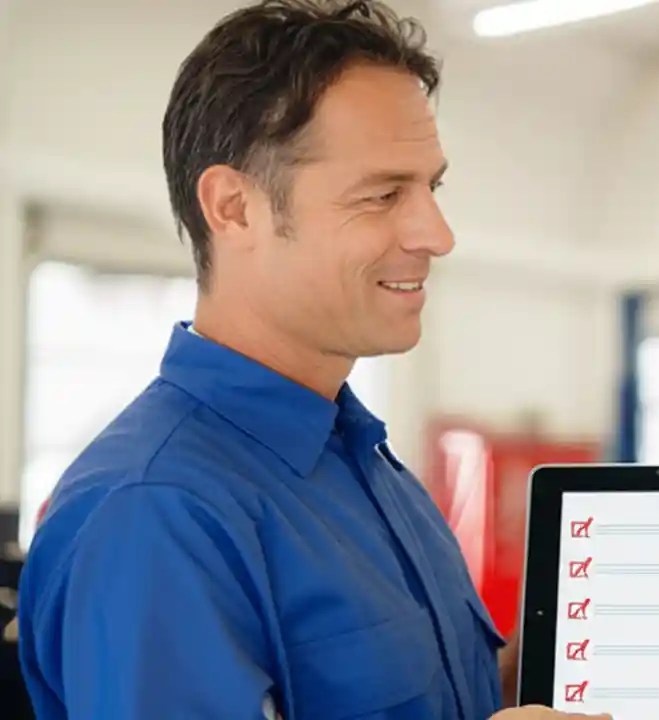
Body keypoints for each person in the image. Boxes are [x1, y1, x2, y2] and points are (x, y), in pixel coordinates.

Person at [16, 2, 608, 719]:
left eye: (432, 188)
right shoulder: (156, 515)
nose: (438, 234)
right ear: (234, 208)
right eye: (385, 194)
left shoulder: (368, 469)